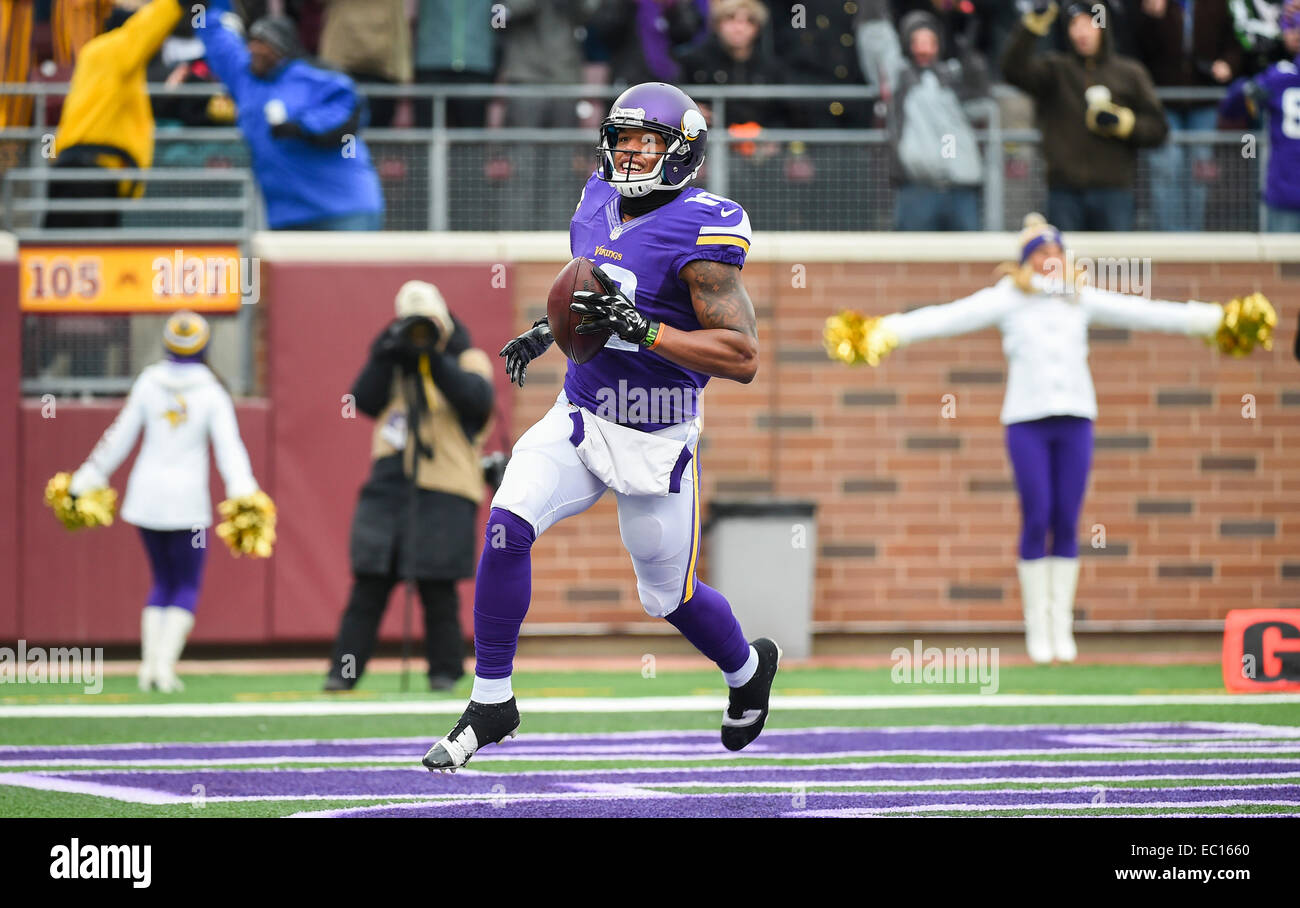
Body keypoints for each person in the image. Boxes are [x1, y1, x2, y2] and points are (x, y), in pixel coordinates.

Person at [420, 82, 781, 772]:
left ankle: (745, 669)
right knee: (506, 525)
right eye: (621, 141)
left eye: (646, 143)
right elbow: (595, 299)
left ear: (683, 153)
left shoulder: (702, 231)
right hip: (582, 412)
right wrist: (549, 331)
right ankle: (491, 700)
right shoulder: (595, 199)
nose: (629, 155)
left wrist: (646, 330)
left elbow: (742, 358)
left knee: (666, 597)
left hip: (656, 430)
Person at [825, 213, 1276, 663]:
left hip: (1076, 419)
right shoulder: (1008, 298)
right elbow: (945, 318)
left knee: (1067, 517)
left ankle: (1063, 629)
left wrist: (1220, 321)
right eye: (1040, 253)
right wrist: (881, 332)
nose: (1049, 260)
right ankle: (1037, 629)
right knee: (1037, 514)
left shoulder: (1080, 299)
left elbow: (1150, 312)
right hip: (1026, 422)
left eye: (1056, 252)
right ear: (1025, 260)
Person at [65, 311, 274, 692]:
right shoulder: (211, 391)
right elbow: (231, 451)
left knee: (161, 580)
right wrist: (245, 496)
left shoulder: (148, 381)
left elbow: (117, 438)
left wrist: (85, 479)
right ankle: (163, 668)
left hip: (145, 501)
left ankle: (149, 668)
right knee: (186, 583)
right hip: (187, 507)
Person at [325, 282, 495, 692]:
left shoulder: (468, 358)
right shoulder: (393, 358)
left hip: (447, 484)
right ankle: (342, 675)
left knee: (437, 586)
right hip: (390, 482)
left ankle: (444, 674)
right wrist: (388, 350)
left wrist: (433, 357)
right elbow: (363, 400)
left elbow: (476, 401)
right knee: (370, 582)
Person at [192, 0, 385, 230]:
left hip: (343, 211)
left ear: (283, 47)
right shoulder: (245, 78)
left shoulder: (313, 76)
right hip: (286, 216)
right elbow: (215, 37)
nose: (254, 49)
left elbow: (349, 112)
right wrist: (203, 8)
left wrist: (301, 127)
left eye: (263, 43)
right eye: (252, 42)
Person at [1001, 1, 1168, 231]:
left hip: (1114, 191)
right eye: (1075, 25)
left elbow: (1158, 129)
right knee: (1067, 264)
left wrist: (1125, 124)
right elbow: (1012, 70)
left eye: (1089, 24)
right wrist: (1031, 27)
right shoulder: (1055, 70)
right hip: (1064, 192)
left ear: (1103, 28)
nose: (1082, 32)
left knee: (1113, 264)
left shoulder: (1130, 73)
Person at [46, 0, 183, 228]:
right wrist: (176, 4)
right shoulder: (115, 51)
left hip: (72, 170)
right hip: (91, 176)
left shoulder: (94, 54)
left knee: (58, 252)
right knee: (93, 257)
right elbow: (145, 28)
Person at [857, 0, 989, 231]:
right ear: (907, 44)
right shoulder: (899, 78)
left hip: (962, 189)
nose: (924, 49)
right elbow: (877, 41)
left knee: (966, 263)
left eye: (930, 41)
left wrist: (973, 68)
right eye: (917, 42)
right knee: (912, 263)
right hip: (917, 190)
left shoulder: (954, 75)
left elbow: (980, 107)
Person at [1135, 0, 1240, 232]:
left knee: (1199, 173)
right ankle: (1169, 240)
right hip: (1164, 101)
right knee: (1165, 169)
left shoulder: (1216, 5)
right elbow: (1139, 50)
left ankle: (1193, 239)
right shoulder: (1154, 5)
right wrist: (1152, 16)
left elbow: (1234, 43)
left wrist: (1228, 64)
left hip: (1203, 102)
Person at [1221, 3, 1300, 231]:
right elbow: (1234, 110)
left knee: (1283, 263)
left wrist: (1244, 88)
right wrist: (1245, 90)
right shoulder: (1278, 77)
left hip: (1284, 188)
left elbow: (1231, 108)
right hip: (1285, 189)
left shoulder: (1278, 77)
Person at [317, 0, 411, 128]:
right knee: (341, 135)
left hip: (383, 70)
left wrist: (405, 98)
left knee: (375, 139)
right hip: (341, 67)